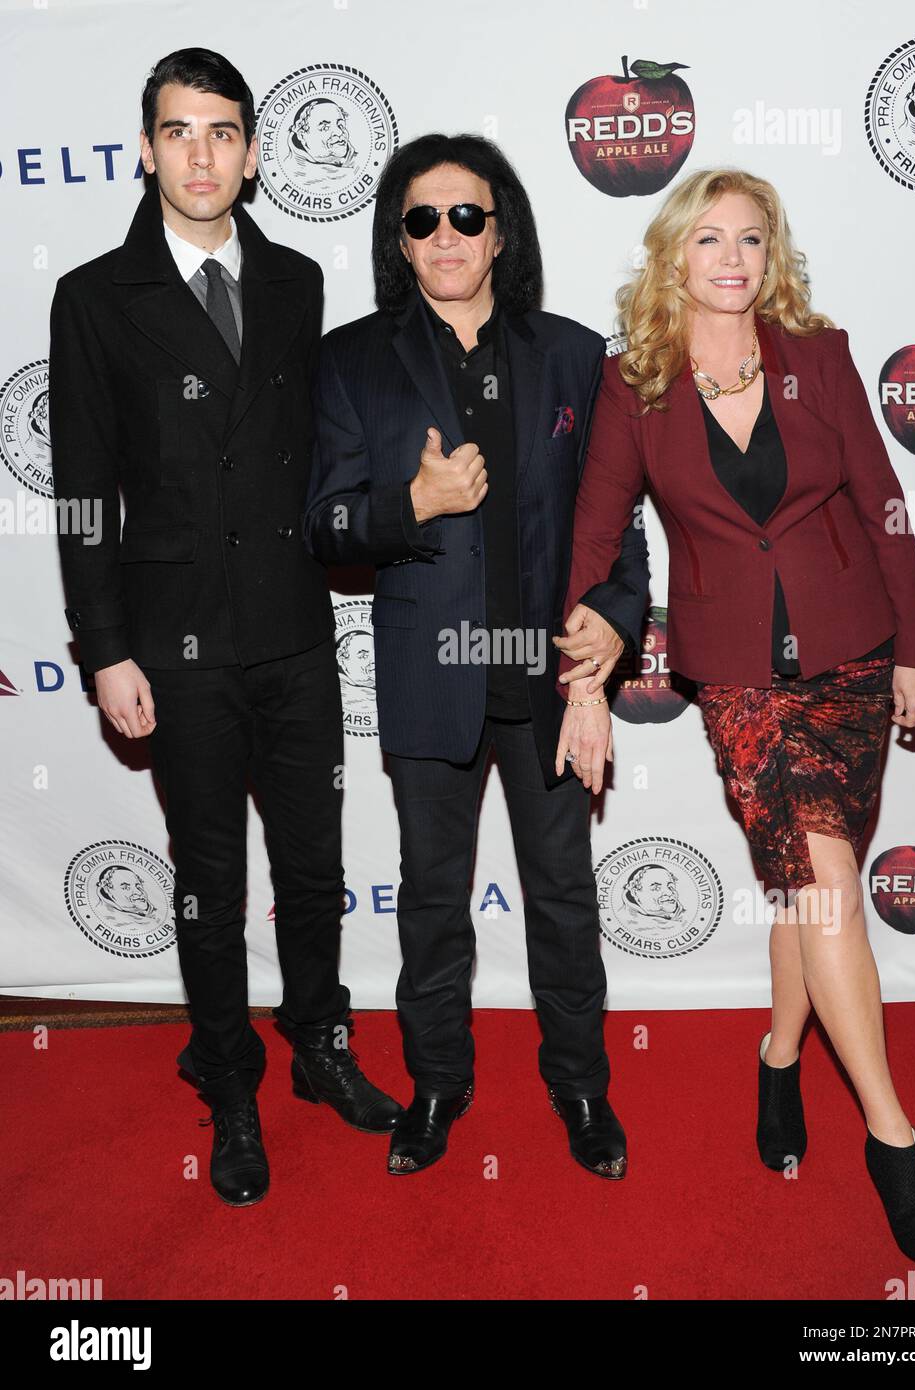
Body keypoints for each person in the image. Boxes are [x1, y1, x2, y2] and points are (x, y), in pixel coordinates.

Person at [555, 167, 915, 1269]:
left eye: (752, 239)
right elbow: (594, 542)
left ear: (770, 257)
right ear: (672, 255)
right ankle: (894, 1136)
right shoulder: (633, 384)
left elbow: (883, 503)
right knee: (825, 882)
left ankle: (780, 1051)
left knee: (802, 885)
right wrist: (585, 674)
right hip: (737, 678)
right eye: (710, 239)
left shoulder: (818, 359)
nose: (732, 258)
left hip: (855, 659)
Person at [48, 47, 400, 1209]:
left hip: (297, 636)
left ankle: (319, 1046)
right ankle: (233, 1083)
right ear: (145, 149)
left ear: (252, 154)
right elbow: (86, 488)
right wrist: (103, 647)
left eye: (223, 132)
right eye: (178, 131)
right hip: (176, 645)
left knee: (313, 868)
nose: (201, 153)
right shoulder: (98, 297)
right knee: (208, 877)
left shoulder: (299, 281)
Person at [304, 133, 649, 1177]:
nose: (445, 236)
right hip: (430, 674)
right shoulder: (351, 359)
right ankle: (438, 1083)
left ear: (500, 231)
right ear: (399, 242)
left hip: (548, 680)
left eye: (466, 215)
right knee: (430, 900)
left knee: (564, 897)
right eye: (421, 219)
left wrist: (618, 619)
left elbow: (619, 525)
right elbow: (322, 527)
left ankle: (582, 1087)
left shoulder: (576, 354)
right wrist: (413, 503)